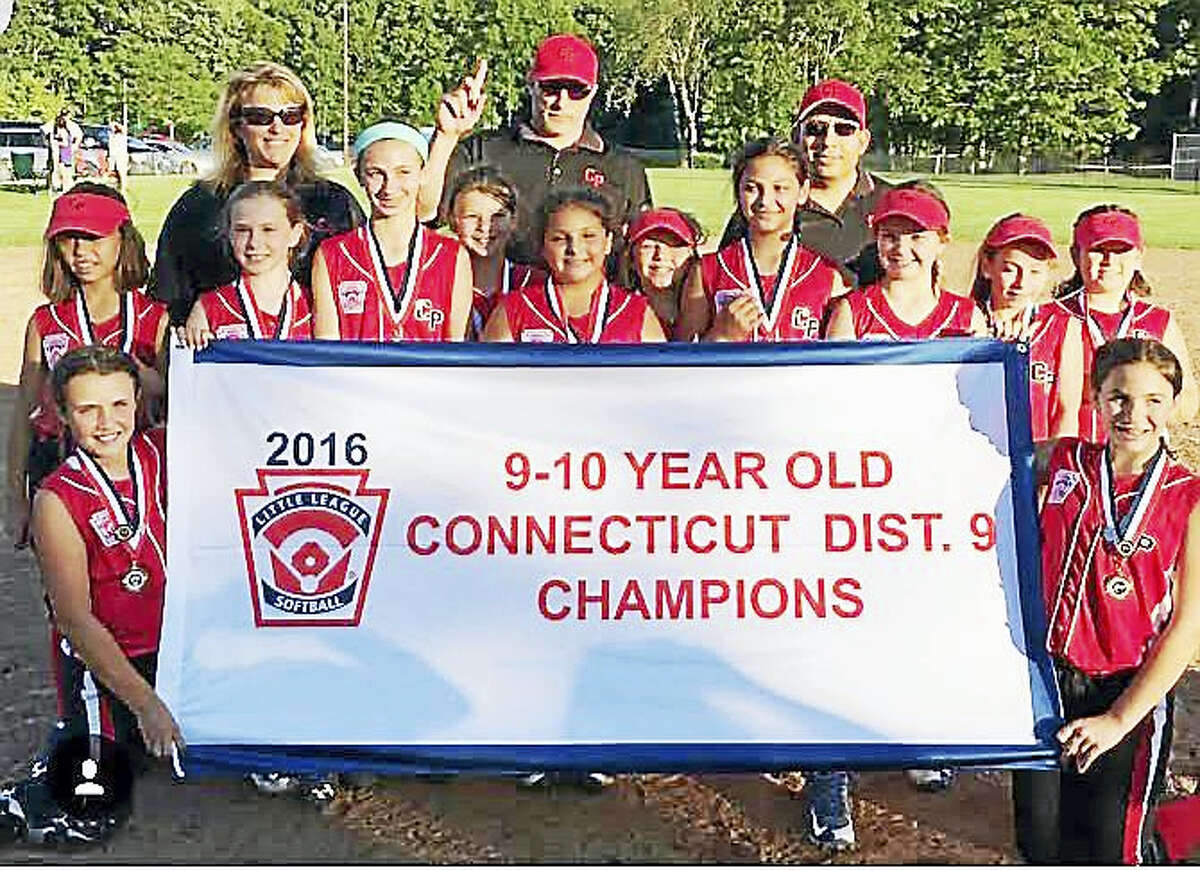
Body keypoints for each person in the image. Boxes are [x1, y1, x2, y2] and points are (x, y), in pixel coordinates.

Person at [0, 346, 179, 845]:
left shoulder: (162, 451)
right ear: (60, 413)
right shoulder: (57, 498)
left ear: (139, 400)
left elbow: (224, 411)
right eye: (87, 409)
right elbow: (75, 619)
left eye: (119, 405)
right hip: (102, 662)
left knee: (176, 757)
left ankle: (87, 740)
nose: (107, 422)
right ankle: (22, 799)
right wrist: (147, 705)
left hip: (170, 653)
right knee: (91, 814)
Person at [1030, 337, 1200, 863]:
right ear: (1096, 397)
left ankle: (1180, 829)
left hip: (1128, 692)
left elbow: (1188, 625)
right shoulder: (1059, 460)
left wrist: (1120, 720)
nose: (1134, 414)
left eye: (1153, 399)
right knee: (1039, 842)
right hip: (1047, 685)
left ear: (1172, 405)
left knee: (1110, 850)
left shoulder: (1186, 496)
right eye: (1119, 397)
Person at [7, 184, 167, 551]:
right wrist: (15, 497)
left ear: (122, 239)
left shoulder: (154, 318)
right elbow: (23, 413)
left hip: (136, 475)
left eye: (94, 237)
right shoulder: (45, 322)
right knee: (65, 595)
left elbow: (174, 403)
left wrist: (156, 384)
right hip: (60, 468)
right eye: (69, 238)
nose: (80, 251)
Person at [152, 61, 364, 326]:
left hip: (312, 359)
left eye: (290, 115)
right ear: (236, 127)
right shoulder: (198, 207)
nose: (277, 128)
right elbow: (167, 300)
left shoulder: (334, 204)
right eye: (260, 117)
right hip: (224, 359)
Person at [426, 34, 652, 265]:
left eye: (576, 90)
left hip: (584, 299)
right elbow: (426, 212)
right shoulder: (483, 150)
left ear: (593, 91)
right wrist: (446, 136)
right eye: (551, 87)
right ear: (531, 83)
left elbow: (635, 256)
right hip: (496, 296)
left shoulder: (624, 169)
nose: (561, 102)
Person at [718, 80, 891, 286]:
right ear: (797, 137)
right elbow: (724, 278)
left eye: (844, 129)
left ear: (863, 141)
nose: (828, 141)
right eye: (815, 128)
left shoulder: (893, 201)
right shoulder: (768, 208)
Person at [312, 122, 472, 341]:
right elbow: (326, 351)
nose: (389, 187)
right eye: (376, 173)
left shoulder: (451, 255)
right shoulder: (332, 255)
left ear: (422, 174)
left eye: (403, 172)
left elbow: (457, 352)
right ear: (358, 176)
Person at [676, 138, 845, 342]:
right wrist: (720, 336)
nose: (765, 200)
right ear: (738, 191)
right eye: (752, 188)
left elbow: (842, 368)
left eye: (780, 188)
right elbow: (682, 364)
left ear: (803, 191)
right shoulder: (707, 272)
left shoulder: (828, 277)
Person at [1054, 205, 1198, 441]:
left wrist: (1142, 398)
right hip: (1072, 463)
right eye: (1098, 249)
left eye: (1121, 250)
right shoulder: (1049, 318)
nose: (1109, 260)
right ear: (1075, 254)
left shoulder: (1158, 322)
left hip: (1137, 464)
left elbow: (1188, 403)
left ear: (1139, 256)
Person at [482, 186, 664, 344]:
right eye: (559, 239)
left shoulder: (636, 311)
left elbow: (659, 379)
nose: (574, 249)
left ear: (608, 242)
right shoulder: (515, 309)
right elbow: (491, 379)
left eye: (588, 236)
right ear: (542, 247)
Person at [970, 213, 1084, 441]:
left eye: (1035, 272)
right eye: (1010, 269)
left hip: (1035, 463)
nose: (1022, 282)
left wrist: (1050, 468)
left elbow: (1067, 412)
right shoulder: (964, 319)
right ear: (986, 266)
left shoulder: (1061, 325)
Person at [825, 181, 986, 341]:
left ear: (942, 242)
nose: (901, 249)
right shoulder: (852, 312)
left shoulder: (967, 317)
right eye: (889, 236)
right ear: (876, 239)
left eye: (917, 237)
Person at [181, 181, 313, 347]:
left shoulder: (315, 306)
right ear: (229, 234)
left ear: (295, 234)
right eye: (242, 230)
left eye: (268, 230)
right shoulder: (210, 309)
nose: (254, 243)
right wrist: (187, 345)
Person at [444, 166, 538, 339]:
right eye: (471, 217)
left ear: (514, 220)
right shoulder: (439, 284)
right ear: (452, 219)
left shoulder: (535, 283)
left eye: (498, 216)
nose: (485, 227)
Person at [621, 207, 702, 338]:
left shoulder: (710, 312)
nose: (660, 255)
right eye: (648, 246)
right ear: (631, 258)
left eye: (673, 244)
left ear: (692, 255)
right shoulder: (618, 313)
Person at [45, 110, 83, 195]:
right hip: (60, 153)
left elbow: (74, 139)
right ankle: (55, 188)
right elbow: (43, 131)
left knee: (65, 172)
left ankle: (66, 189)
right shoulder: (54, 126)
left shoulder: (70, 127)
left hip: (64, 153)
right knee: (57, 170)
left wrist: (74, 146)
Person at [107, 122, 129, 195]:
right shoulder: (111, 136)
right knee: (113, 172)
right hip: (113, 156)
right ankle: (116, 187)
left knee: (121, 172)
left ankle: (123, 188)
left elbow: (123, 129)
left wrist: (115, 124)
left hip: (121, 155)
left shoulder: (121, 135)